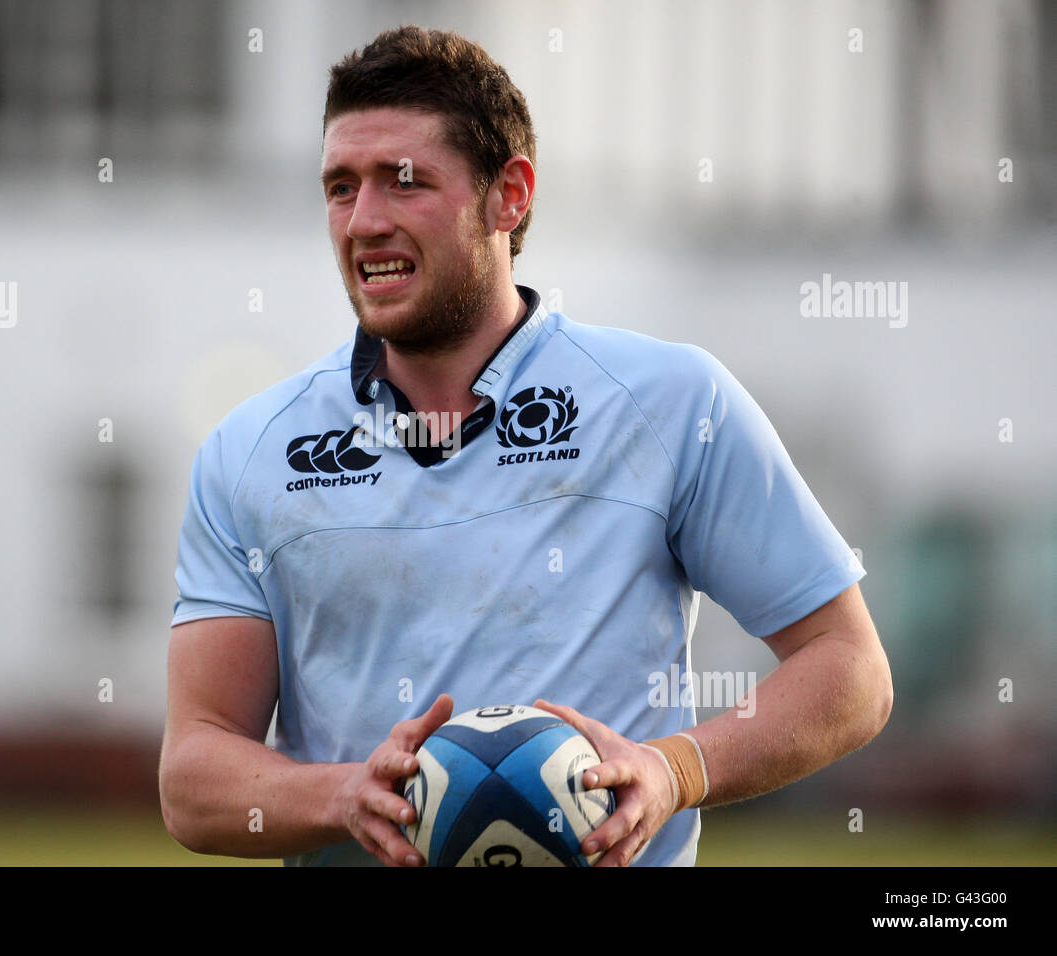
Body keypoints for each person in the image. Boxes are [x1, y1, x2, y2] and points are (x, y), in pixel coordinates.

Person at [158, 25, 893, 867]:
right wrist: (342, 795)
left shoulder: (670, 400)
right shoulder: (252, 450)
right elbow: (194, 773)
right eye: (339, 187)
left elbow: (850, 671)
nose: (364, 221)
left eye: (403, 182)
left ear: (509, 196)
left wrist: (672, 770)